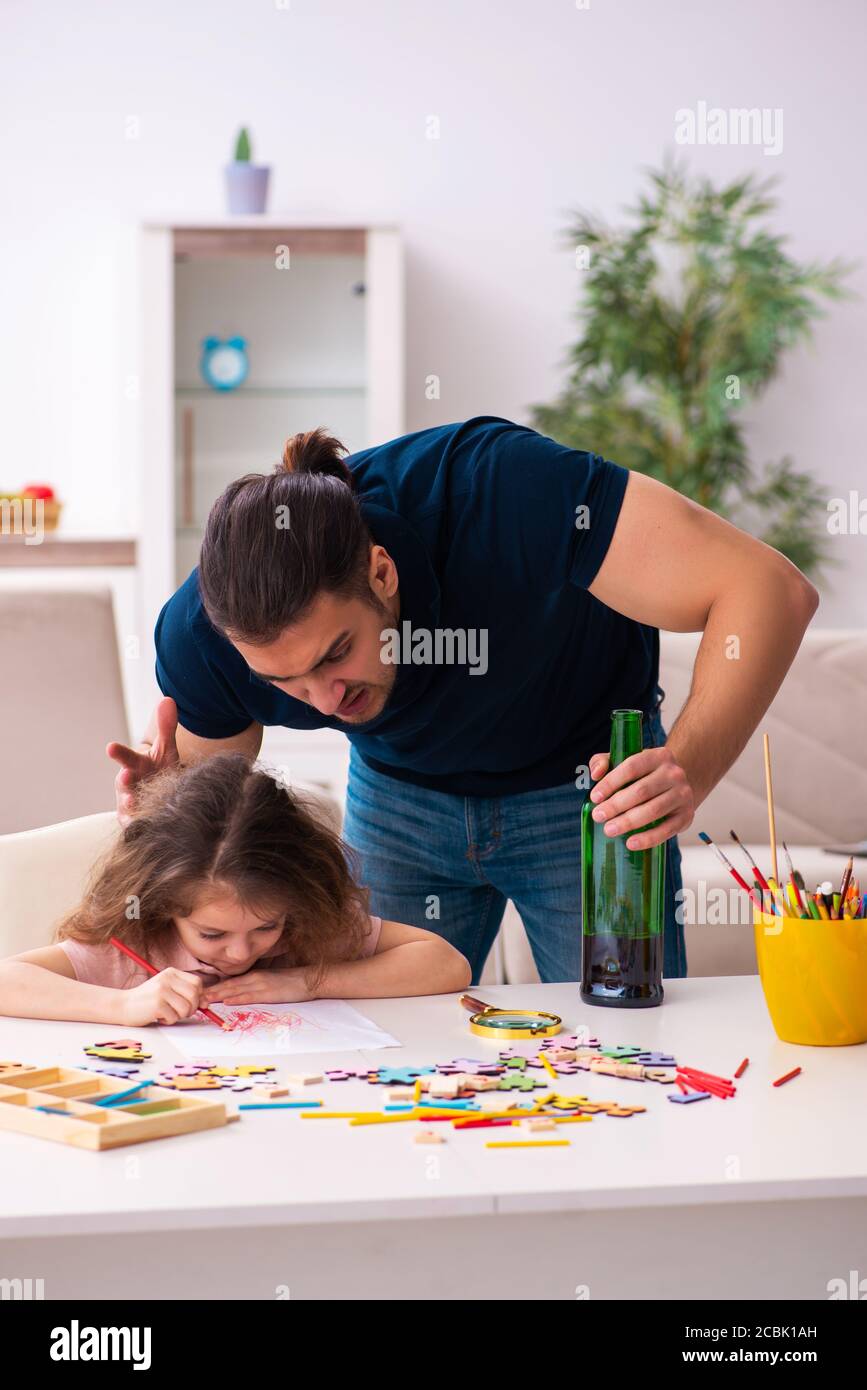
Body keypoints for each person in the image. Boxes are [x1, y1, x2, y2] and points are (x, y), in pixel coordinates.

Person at [108, 417, 819, 984]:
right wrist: (169, 812)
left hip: (585, 792)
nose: (324, 700)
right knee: (376, 1047)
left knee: (623, 1049)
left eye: (335, 655)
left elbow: (768, 590)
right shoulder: (204, 638)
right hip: (399, 800)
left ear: (380, 572)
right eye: (284, 684)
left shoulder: (505, 489)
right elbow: (215, 836)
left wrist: (688, 765)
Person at [0, 753, 471, 1024]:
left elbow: (448, 965)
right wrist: (122, 1004)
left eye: (266, 927)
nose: (240, 953)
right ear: (165, 907)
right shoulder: (134, 945)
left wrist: (308, 981)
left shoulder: (308, 931)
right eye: (212, 935)